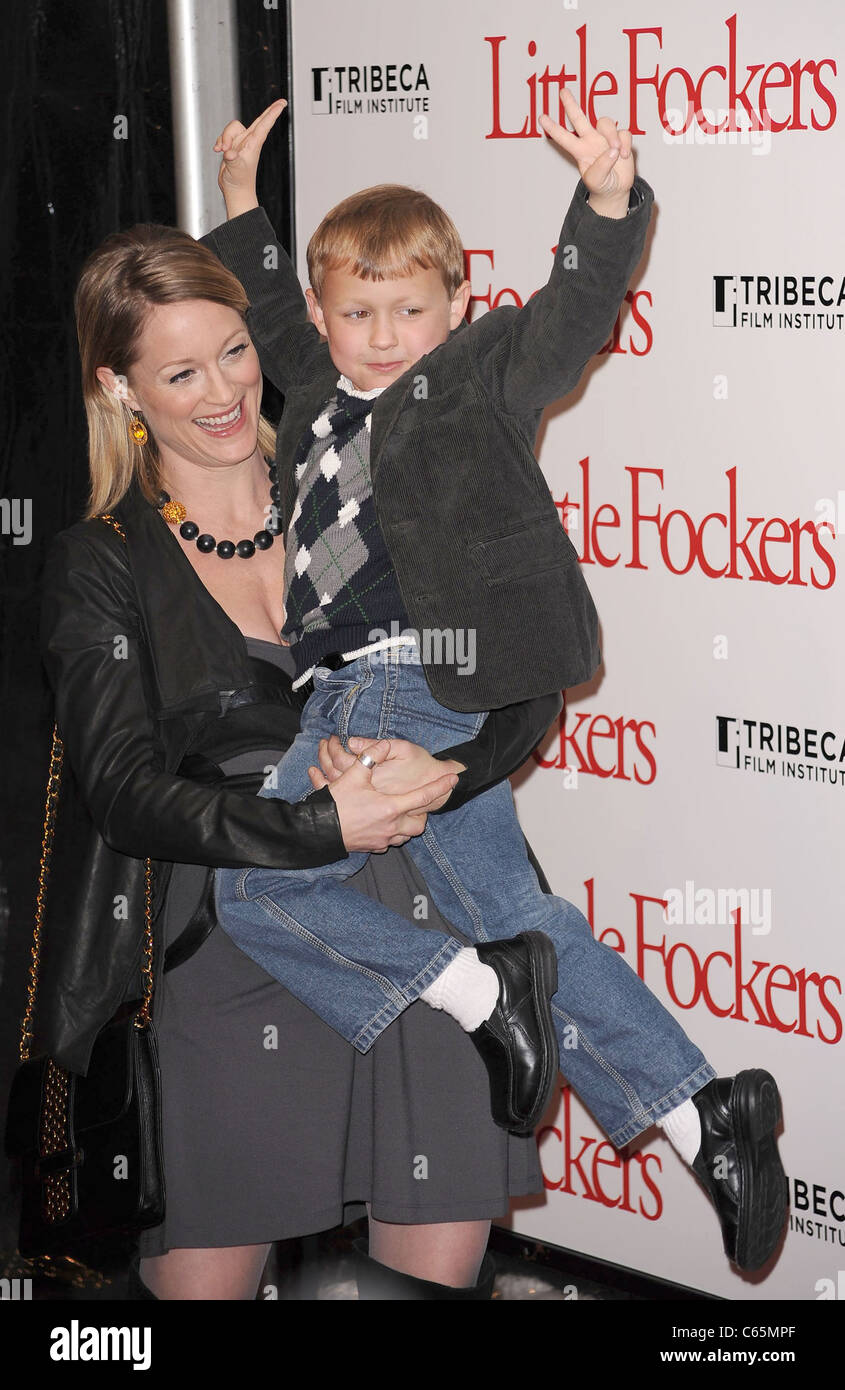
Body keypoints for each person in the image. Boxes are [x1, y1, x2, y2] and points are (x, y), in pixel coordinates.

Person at [206, 96, 788, 1274]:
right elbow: (269, 311)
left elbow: (570, 318)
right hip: (355, 692)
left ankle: (478, 996)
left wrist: (608, 203)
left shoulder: (468, 379)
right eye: (355, 313)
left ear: (456, 305)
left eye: (408, 311)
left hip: (407, 677)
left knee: (254, 891)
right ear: (323, 316)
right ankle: (701, 1114)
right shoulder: (316, 391)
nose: (382, 335)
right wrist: (238, 209)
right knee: (519, 918)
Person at [36, 221, 573, 1300]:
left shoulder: (374, 488)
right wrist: (320, 826)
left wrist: (436, 778)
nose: (226, 390)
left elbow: (525, 678)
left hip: (436, 938)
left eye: (236, 350)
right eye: (180, 371)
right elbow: (125, 792)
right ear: (119, 386)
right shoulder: (103, 561)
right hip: (238, 949)